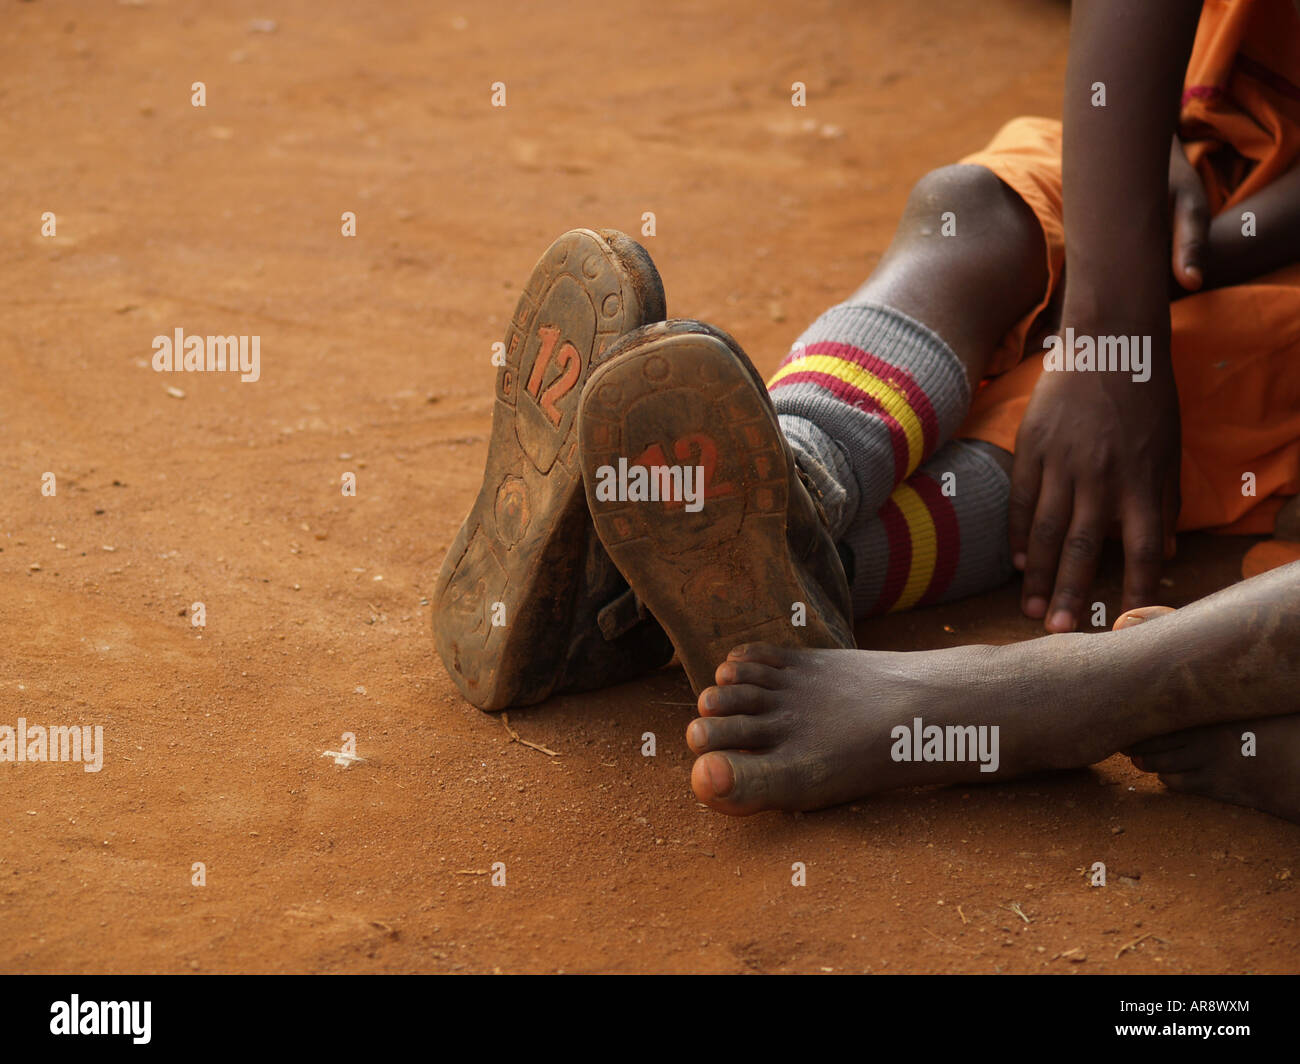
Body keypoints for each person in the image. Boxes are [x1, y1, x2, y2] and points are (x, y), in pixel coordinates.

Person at [433, 0, 1300, 817]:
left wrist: (1170, 289)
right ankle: (792, 480)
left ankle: (652, 594)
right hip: (1195, 150)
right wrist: (1118, 308)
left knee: (1097, 425)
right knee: (975, 213)